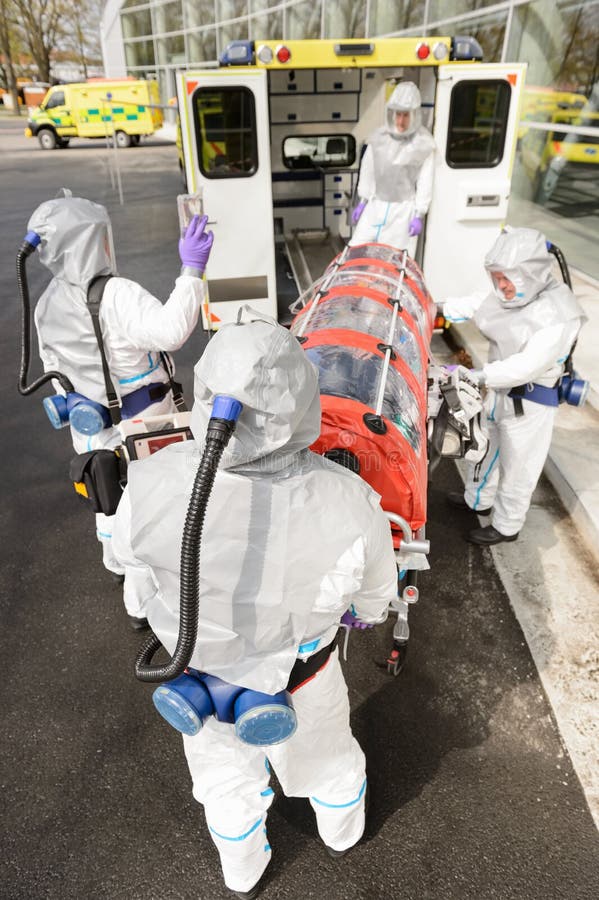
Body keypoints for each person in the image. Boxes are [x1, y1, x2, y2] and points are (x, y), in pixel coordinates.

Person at [112, 310, 398, 899]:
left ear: (208, 396)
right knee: (327, 759)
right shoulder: (351, 501)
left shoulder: (147, 484)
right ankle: (343, 836)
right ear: (302, 404)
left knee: (222, 782)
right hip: (303, 678)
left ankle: (242, 872)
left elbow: (130, 573)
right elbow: (374, 598)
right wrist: (355, 616)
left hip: (192, 669)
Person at [29, 193, 213, 625]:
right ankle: (142, 604)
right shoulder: (115, 295)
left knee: (105, 489)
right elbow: (170, 332)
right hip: (142, 423)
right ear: (93, 242)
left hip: (89, 423)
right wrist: (192, 270)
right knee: (146, 508)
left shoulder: (48, 301)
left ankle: (114, 562)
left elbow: (52, 365)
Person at [441, 227, 586, 545]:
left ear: (530, 274)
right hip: (497, 392)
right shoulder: (511, 294)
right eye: (497, 278)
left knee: (519, 466)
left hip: (530, 401)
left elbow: (525, 367)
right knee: (484, 449)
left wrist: (474, 376)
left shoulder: (558, 314)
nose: (500, 286)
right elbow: (479, 303)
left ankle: (506, 526)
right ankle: (477, 500)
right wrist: (437, 308)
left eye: (507, 279)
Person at [350, 81, 435, 254]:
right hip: (375, 206)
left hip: (403, 212)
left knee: (393, 260)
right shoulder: (379, 138)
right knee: (357, 250)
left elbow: (425, 182)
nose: (400, 120)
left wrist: (419, 214)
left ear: (415, 115)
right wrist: (363, 201)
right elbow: (368, 172)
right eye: (397, 114)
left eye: (405, 115)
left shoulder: (423, 144)